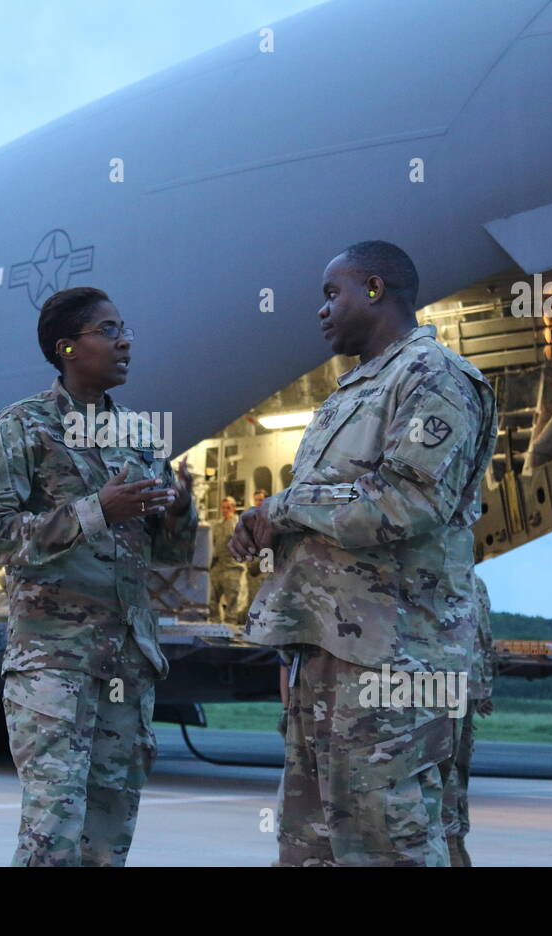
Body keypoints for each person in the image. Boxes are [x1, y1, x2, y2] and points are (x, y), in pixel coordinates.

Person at [231, 240, 497, 866]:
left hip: (394, 661)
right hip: (330, 652)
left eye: (333, 293)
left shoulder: (433, 378)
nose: (322, 310)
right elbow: (333, 507)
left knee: (386, 845)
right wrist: (268, 525)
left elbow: (405, 502)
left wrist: (284, 508)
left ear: (374, 290)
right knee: (313, 848)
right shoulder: (354, 391)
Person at [0, 286, 197, 866]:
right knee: (54, 828)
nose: (125, 342)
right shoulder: (21, 426)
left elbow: (167, 553)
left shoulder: (140, 435)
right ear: (67, 347)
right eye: (108, 330)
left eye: (125, 330)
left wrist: (180, 510)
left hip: (127, 662)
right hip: (55, 664)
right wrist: (96, 510)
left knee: (108, 832)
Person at [441, 572, 496, 866]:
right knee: (458, 768)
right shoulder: (476, 581)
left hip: (443, 683)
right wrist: (485, 687)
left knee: (444, 768)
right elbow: (485, 636)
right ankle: (456, 841)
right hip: (467, 683)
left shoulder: (437, 570)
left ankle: (452, 842)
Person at [210, 496, 247, 622]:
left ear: (234, 508)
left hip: (233, 567)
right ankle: (214, 625)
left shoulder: (239, 525)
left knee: (232, 601)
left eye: (228, 508)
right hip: (217, 566)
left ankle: (230, 627)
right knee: (212, 600)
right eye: (223, 508)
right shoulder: (217, 525)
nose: (225, 510)